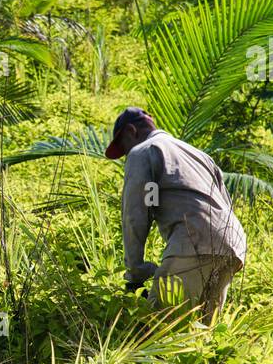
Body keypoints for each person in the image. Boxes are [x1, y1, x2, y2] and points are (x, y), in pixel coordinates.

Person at [104, 108, 246, 323]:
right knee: (202, 335)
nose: (126, 154)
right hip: (232, 245)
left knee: (158, 329)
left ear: (131, 131)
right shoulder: (199, 155)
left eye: (123, 147)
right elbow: (223, 203)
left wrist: (135, 270)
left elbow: (135, 214)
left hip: (195, 240)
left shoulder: (142, 151)